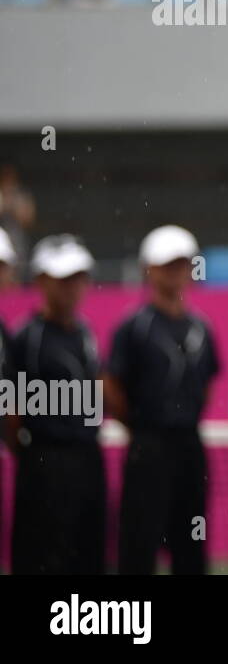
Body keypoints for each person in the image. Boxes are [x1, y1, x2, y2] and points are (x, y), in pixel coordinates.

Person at [105, 225, 220, 575]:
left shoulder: (202, 327)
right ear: (148, 270)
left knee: (191, 549)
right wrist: (142, 426)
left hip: (189, 447)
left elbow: (207, 385)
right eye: (167, 264)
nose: (176, 272)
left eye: (182, 264)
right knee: (139, 546)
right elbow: (111, 386)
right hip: (147, 448)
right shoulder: (133, 327)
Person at [1, 235, 106, 574]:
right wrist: (32, 452)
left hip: (89, 458)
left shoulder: (86, 333)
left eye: (79, 277)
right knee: (40, 557)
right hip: (44, 461)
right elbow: (11, 408)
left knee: (88, 553)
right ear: (41, 281)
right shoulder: (25, 338)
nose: (72, 287)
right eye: (63, 279)